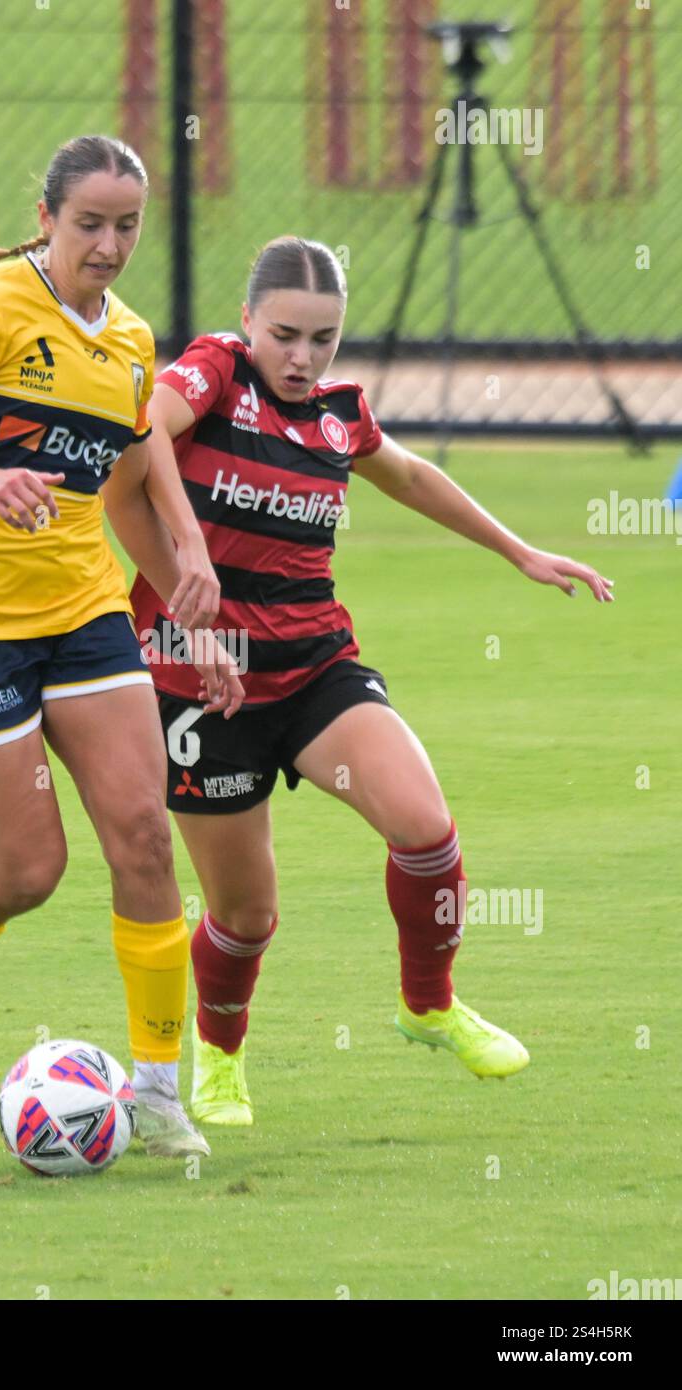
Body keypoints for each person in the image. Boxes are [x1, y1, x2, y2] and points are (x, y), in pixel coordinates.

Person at [128, 236, 615, 1126]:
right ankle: (220, 1058)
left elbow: (412, 476)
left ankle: (427, 1005)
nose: (303, 357)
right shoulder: (212, 373)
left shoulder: (337, 416)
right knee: (245, 915)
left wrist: (519, 551)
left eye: (324, 338)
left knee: (426, 829)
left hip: (315, 669)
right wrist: (185, 551)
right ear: (246, 321)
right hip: (201, 685)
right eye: (284, 334)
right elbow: (145, 427)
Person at [0, 134, 243, 1159]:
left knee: (144, 835)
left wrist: (187, 582)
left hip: (82, 609)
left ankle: (160, 1090)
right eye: (91, 224)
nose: (111, 244)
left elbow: (139, 453)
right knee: (29, 870)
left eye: (127, 225)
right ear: (47, 218)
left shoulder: (128, 337)